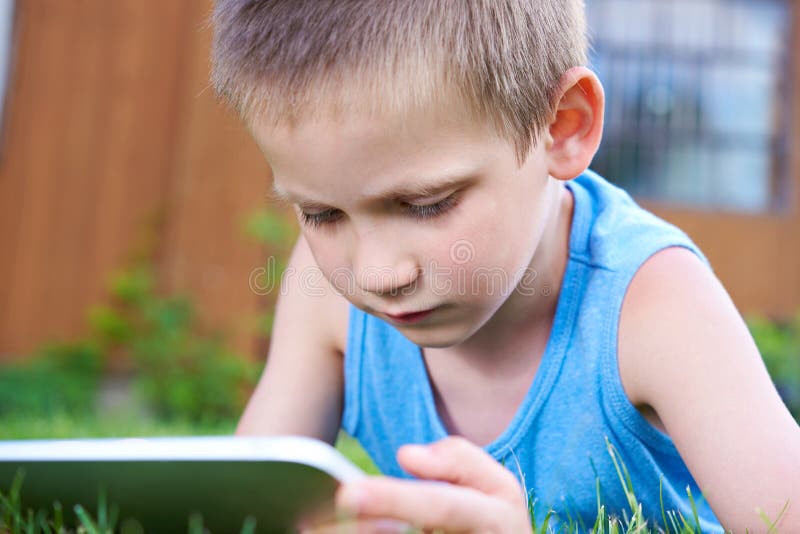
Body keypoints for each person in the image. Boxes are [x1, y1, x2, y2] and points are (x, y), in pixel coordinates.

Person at [211, 1, 800, 532]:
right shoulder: (326, 300)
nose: (375, 272)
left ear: (562, 127)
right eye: (321, 215)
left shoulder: (654, 307)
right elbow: (239, 511)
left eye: (426, 204)